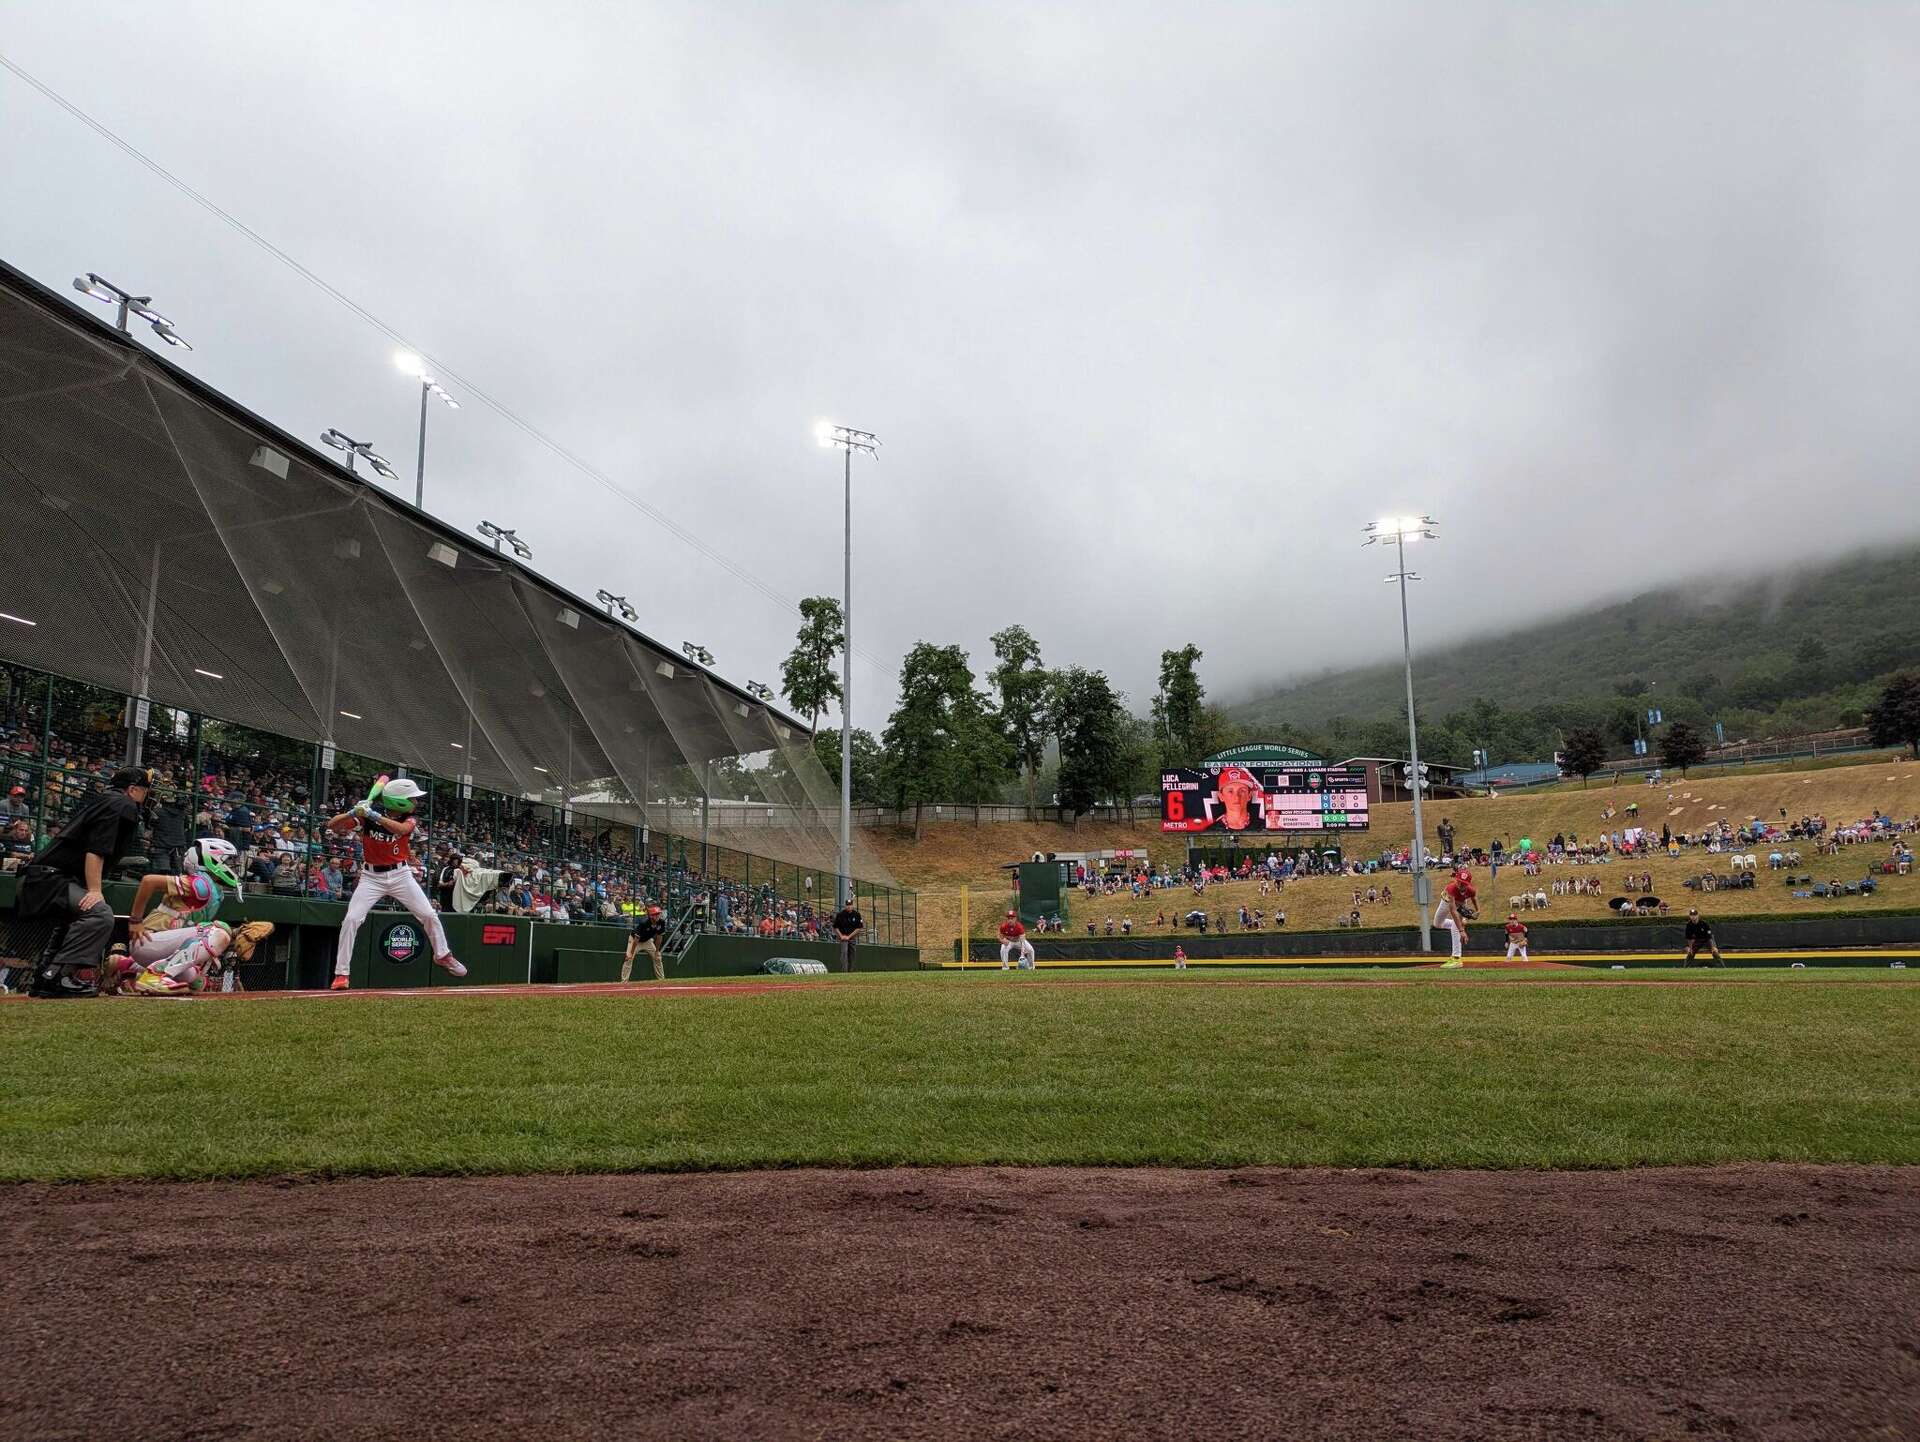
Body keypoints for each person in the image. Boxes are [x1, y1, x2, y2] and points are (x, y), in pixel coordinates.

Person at [17, 765, 152, 997]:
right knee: (99, 915)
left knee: (73, 918)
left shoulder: (107, 800)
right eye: (143, 790)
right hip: (50, 879)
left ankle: (44, 978)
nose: (146, 795)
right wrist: (95, 890)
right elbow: (95, 849)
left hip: (44, 876)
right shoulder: (121, 804)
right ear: (131, 790)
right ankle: (59, 976)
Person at [326, 778, 465, 991]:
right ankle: (341, 974)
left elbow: (399, 829)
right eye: (412, 799)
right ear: (398, 801)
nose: (416, 803)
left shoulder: (407, 818)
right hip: (371, 878)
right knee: (351, 920)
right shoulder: (367, 816)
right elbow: (333, 825)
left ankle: (443, 955)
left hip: (400, 875)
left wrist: (372, 814)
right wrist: (353, 812)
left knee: (429, 915)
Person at [624, 904, 667, 982]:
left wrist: (657, 951)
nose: (658, 916)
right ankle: (624, 982)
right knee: (629, 958)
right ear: (651, 916)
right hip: (635, 940)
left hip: (647, 941)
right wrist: (631, 953)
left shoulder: (661, 922)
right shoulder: (644, 923)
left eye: (658, 914)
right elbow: (636, 939)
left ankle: (661, 980)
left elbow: (659, 937)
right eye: (655, 914)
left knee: (658, 958)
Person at [1431, 892, 1467, 968]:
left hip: (1458, 901)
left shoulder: (1469, 889)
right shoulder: (1452, 887)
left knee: (1456, 926)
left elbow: (1473, 897)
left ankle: (1456, 958)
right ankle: (1459, 924)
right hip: (1446, 899)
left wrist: (1478, 910)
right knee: (1437, 924)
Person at [831, 893, 864, 973]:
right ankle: (844, 971)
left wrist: (849, 936)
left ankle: (851, 971)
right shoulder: (840, 915)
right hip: (843, 937)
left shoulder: (856, 914)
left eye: (850, 905)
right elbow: (835, 927)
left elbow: (859, 928)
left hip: (852, 937)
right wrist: (841, 936)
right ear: (845, 906)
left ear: (852, 905)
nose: (849, 906)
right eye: (847, 905)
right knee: (844, 953)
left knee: (852, 954)